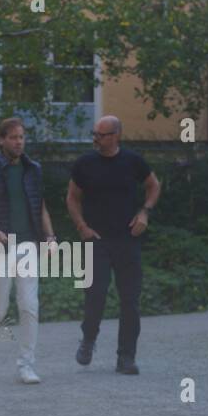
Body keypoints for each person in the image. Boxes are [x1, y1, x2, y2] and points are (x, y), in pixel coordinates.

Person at [66, 115, 161, 374]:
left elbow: (154, 186)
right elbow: (72, 198)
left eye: (101, 134)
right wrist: (82, 227)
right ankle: (88, 339)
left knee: (130, 300)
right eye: (94, 133)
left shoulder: (133, 162)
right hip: (95, 241)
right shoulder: (85, 164)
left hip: (127, 240)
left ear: (116, 135)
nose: (96, 138)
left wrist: (144, 213)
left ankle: (126, 357)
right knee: (94, 296)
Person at [0, 117, 56, 384]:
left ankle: (26, 364)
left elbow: (39, 207)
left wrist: (50, 237)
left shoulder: (33, 169)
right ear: (1, 140)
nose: (19, 142)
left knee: (30, 305)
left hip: (28, 244)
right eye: (14, 137)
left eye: (22, 137)